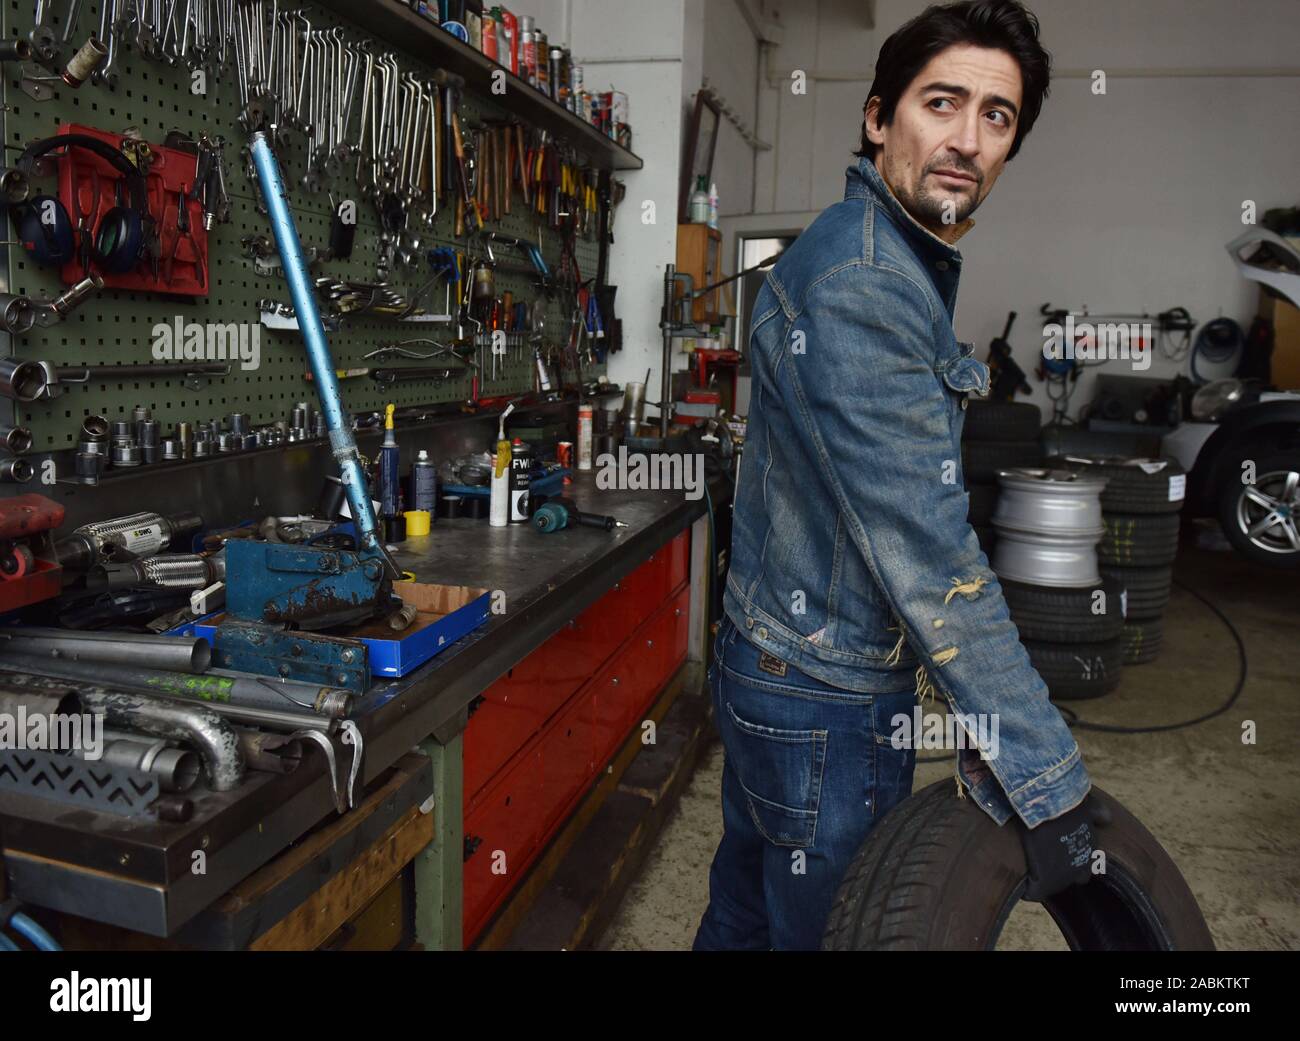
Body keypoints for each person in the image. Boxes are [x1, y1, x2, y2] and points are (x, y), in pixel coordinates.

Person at [694, 0, 1102, 951]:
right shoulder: (866, 285)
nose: (965, 139)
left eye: (995, 117)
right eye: (942, 102)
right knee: (828, 933)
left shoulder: (867, 253)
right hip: (826, 705)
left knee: (746, 915)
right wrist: (1046, 780)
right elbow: (930, 559)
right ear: (880, 118)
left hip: (774, 665)